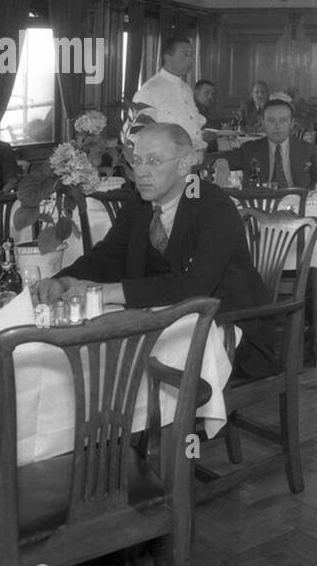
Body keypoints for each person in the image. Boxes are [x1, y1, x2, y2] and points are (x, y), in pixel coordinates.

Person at [38, 123, 276, 377]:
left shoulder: (212, 204)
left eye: (153, 161)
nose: (141, 172)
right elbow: (108, 256)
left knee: (125, 360)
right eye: (137, 161)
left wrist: (107, 292)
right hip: (166, 319)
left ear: (184, 165)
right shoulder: (139, 203)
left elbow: (196, 286)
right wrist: (64, 280)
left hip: (228, 330)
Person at [125, 37, 205, 153]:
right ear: (168, 57)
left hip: (191, 157)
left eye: (192, 56)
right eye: (185, 55)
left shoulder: (187, 90)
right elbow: (135, 135)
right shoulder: (150, 90)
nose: (191, 60)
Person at [239, 99, 317, 190]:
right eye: (271, 121)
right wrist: (223, 162)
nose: (277, 126)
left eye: (283, 120)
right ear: (263, 123)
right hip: (261, 204)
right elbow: (228, 159)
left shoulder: (307, 149)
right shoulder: (249, 149)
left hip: (297, 203)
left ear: (292, 123)